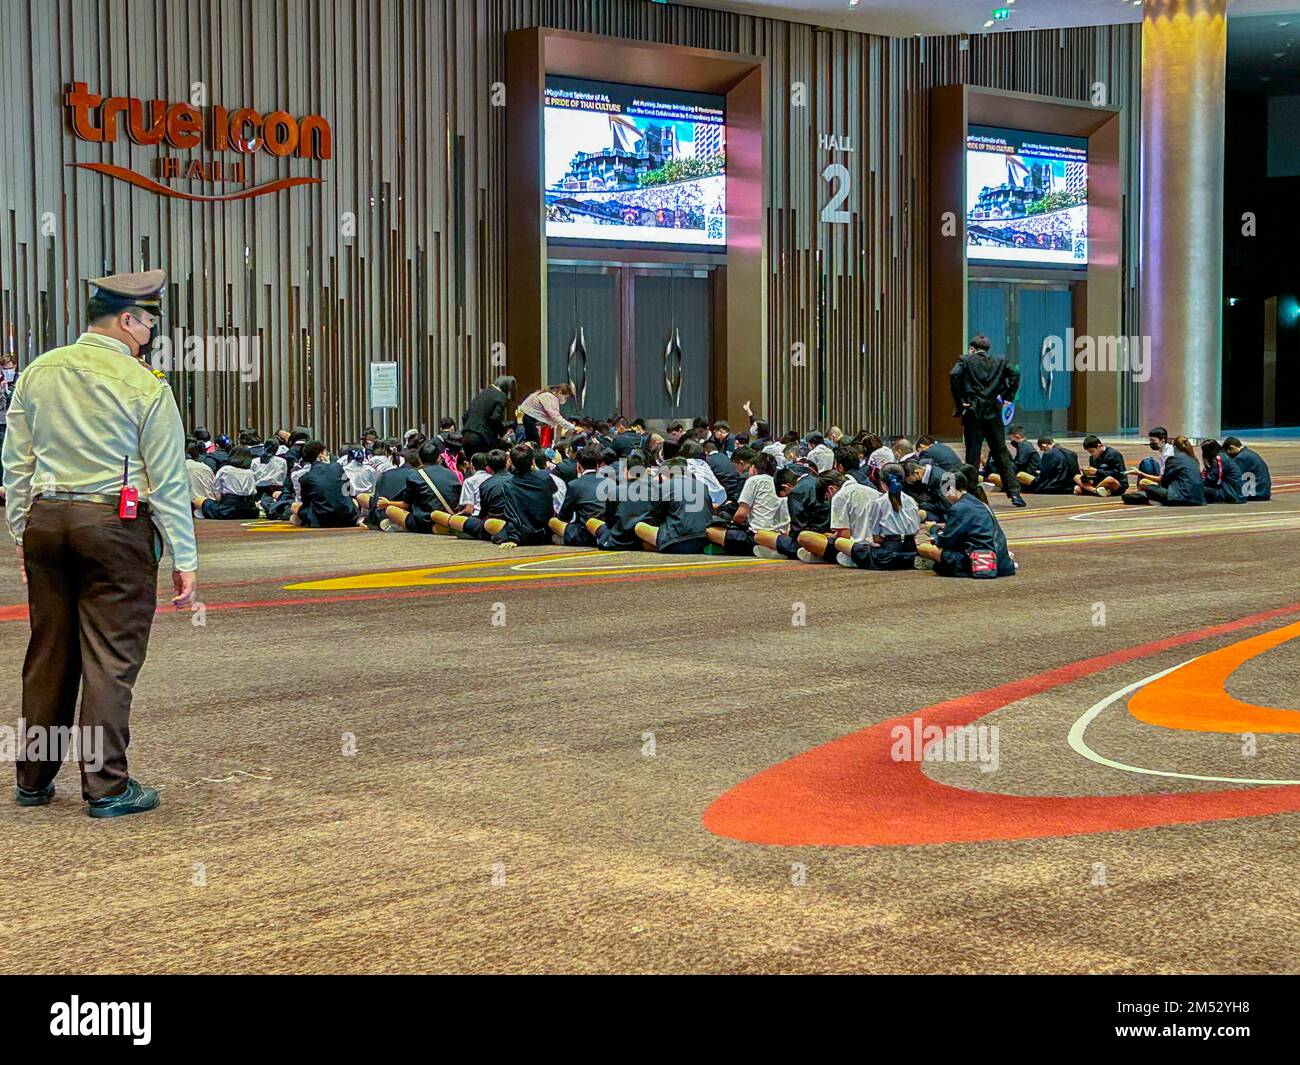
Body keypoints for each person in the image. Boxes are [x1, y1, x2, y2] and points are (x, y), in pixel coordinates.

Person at [3, 269, 198, 817]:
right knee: (109, 659)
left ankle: (34, 780)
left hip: (47, 521)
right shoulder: (145, 385)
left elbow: (15, 465)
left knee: (48, 655)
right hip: (114, 525)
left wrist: (23, 533)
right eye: (151, 321)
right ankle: (107, 787)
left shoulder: (38, 372)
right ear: (129, 320)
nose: (153, 331)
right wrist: (185, 558)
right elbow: (167, 480)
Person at [950, 333, 1025, 506]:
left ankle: (972, 492)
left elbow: (954, 375)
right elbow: (1015, 373)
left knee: (973, 454)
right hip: (993, 410)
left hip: (973, 411)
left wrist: (961, 402)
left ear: (972, 348)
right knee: (1000, 452)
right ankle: (1015, 493)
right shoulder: (1000, 362)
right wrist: (1007, 395)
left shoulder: (966, 361)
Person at [915, 470, 1016, 578]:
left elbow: (946, 540)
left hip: (979, 559)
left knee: (926, 548)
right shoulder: (979, 503)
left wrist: (934, 531)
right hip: (1001, 560)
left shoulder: (958, 508)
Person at [796, 469, 881, 564]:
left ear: (830, 489)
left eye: (826, 497)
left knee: (804, 537)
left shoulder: (840, 496)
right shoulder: (874, 492)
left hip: (857, 548)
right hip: (878, 547)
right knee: (829, 536)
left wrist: (834, 537)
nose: (829, 500)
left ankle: (829, 557)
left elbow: (844, 537)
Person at [634, 459, 712, 554]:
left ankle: (659, 547)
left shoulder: (664, 487)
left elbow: (655, 518)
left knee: (639, 527)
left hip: (676, 542)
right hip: (704, 540)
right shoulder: (703, 486)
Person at [549, 444, 610, 546]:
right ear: (597, 465)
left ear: (578, 466)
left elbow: (565, 516)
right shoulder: (609, 482)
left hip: (584, 535)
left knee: (553, 522)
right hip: (605, 531)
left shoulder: (574, 484)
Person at [291, 442, 360, 527]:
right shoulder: (337, 467)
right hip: (347, 518)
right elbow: (350, 491)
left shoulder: (305, 478)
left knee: (294, 506)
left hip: (321, 520)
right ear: (322, 453)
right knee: (354, 501)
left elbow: (306, 503)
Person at [1123, 435, 1205, 506]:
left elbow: (1165, 482)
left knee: (1145, 485)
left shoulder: (1173, 459)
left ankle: (1155, 500)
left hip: (1179, 497)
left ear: (1175, 447)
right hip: (1199, 499)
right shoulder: (1194, 460)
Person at [462, 375, 516, 457]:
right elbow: (495, 419)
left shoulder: (483, 393)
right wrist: (503, 433)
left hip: (466, 435)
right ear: (507, 388)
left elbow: (465, 416)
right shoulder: (501, 396)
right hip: (481, 437)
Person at [1200, 439, 1245, 504]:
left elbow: (1213, 479)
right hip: (1231, 491)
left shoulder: (1219, 458)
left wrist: (1199, 482)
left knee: (1198, 489)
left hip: (1232, 493)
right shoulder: (1222, 455)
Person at [186, 439, 216, 504]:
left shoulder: (180, 467)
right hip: (207, 504)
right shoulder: (206, 468)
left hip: (188, 505)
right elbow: (214, 489)